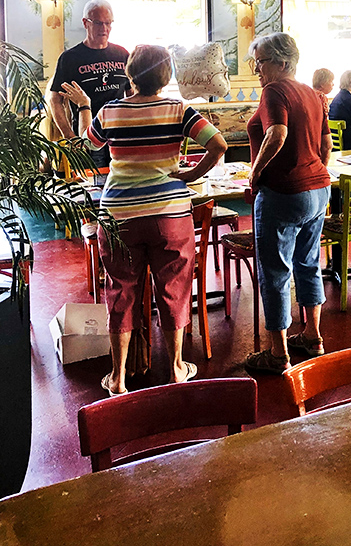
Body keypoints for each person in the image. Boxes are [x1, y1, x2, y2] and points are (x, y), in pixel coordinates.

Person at [61, 44, 228, 396]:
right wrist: (188, 174)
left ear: (130, 75)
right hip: (169, 215)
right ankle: (177, 368)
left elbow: (83, 146)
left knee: (120, 291)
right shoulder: (180, 109)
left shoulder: (110, 111)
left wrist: (84, 107)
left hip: (118, 214)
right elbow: (219, 145)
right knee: (174, 290)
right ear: (167, 75)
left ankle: (119, 378)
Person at [245, 33, 332, 375]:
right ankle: (312, 336)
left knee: (275, 272)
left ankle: (278, 352)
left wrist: (255, 173)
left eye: (262, 62)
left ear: (282, 63)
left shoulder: (275, 91)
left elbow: (276, 134)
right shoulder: (313, 94)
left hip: (282, 193)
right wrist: (315, 171)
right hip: (317, 190)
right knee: (309, 263)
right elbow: (326, 145)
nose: (257, 69)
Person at [49, 0, 129, 167]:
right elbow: (55, 100)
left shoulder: (122, 54)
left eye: (108, 23)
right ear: (86, 23)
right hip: (88, 138)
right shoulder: (70, 58)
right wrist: (69, 135)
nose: (104, 29)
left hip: (121, 135)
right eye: (99, 23)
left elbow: (132, 94)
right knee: (93, 187)